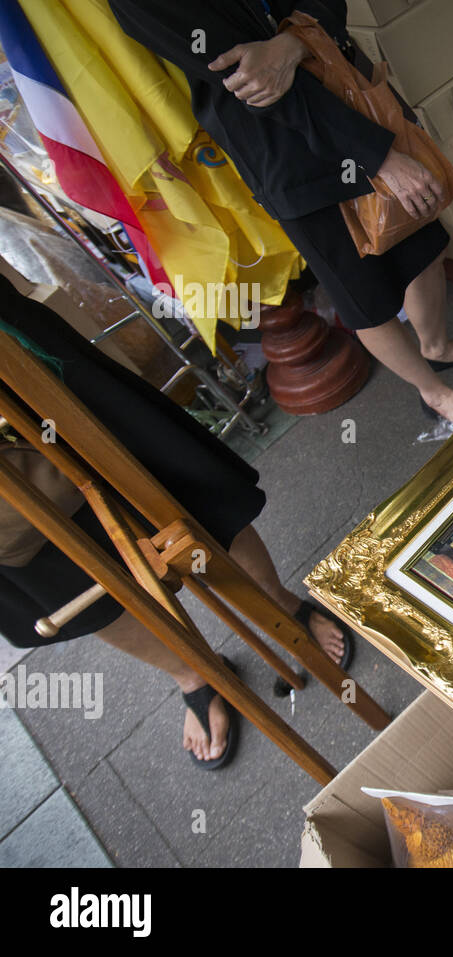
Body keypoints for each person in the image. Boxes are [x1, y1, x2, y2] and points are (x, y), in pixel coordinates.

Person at [0, 272, 353, 769]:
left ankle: (278, 603)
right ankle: (192, 674)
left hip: (17, 359)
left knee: (180, 496)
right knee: (66, 583)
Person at [105, 0, 453, 424]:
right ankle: (435, 394)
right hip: (283, 148)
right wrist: (377, 156)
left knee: (424, 242)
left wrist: (293, 42)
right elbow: (252, 82)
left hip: (352, 94)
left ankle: (436, 346)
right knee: (362, 292)